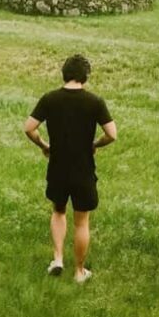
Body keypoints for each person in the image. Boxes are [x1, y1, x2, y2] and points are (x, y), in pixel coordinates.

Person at [24, 54, 117, 283]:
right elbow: (112, 134)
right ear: (86, 76)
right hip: (83, 168)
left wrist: (44, 145)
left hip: (58, 166)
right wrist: (94, 145)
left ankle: (57, 259)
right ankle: (79, 271)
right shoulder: (94, 102)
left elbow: (29, 128)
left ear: (64, 73)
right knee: (82, 221)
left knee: (58, 211)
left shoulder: (50, 99)